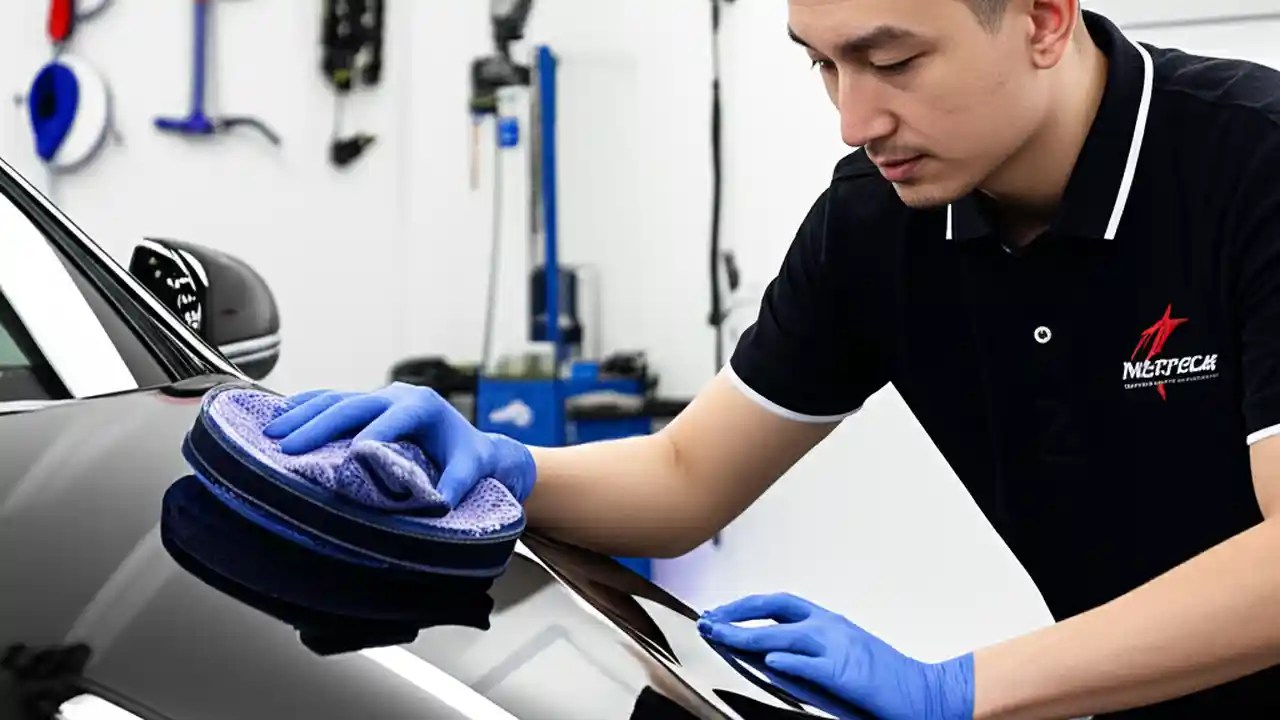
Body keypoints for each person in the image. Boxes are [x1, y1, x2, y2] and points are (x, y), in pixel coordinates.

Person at [265, 0, 1280, 717]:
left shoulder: (1254, 164)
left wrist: (954, 691)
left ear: (1043, 19)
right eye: (820, 62)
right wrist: (503, 466)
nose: (853, 120)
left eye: (891, 61)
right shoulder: (875, 220)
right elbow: (682, 480)